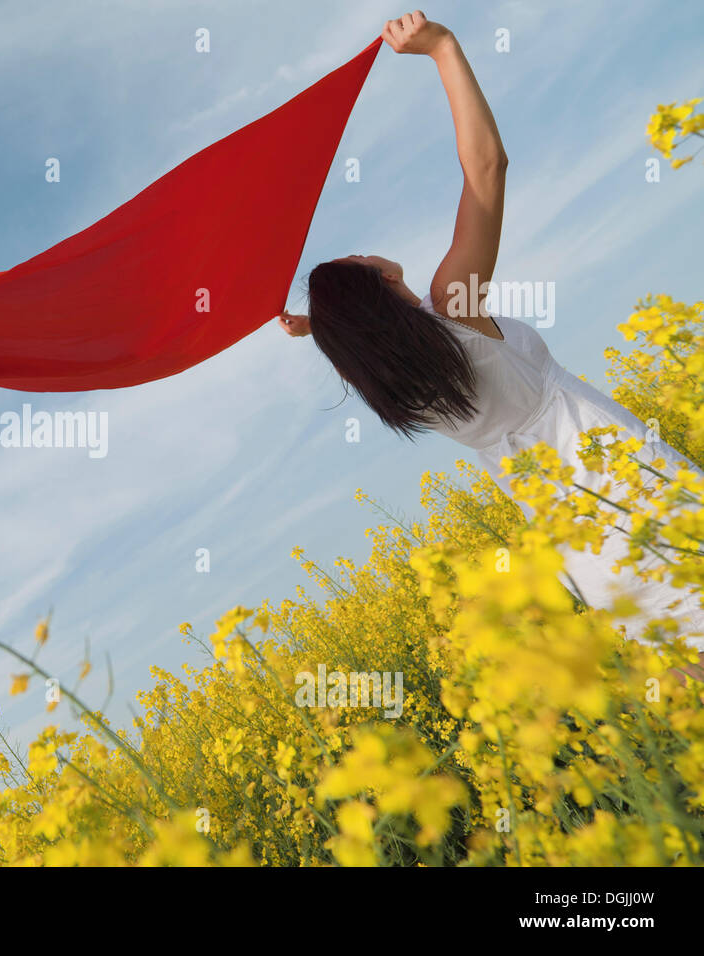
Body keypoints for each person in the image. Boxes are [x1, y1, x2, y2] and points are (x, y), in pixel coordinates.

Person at [277, 12, 704, 671]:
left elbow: (375, 341)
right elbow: (486, 168)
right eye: (357, 256)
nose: (365, 250)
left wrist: (323, 329)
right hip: (638, 497)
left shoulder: (409, 386)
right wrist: (443, 49)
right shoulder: (454, 305)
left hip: (594, 559)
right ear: (378, 278)